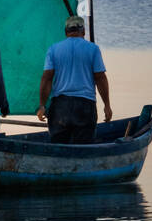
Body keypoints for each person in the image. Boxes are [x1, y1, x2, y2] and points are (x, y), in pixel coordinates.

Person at [37, 15, 112, 143]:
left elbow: (47, 78)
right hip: (84, 106)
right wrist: (107, 105)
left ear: (66, 32)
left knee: (59, 148)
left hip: (60, 107)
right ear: (83, 31)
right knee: (83, 148)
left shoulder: (53, 49)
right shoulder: (93, 49)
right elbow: (100, 78)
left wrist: (42, 106)